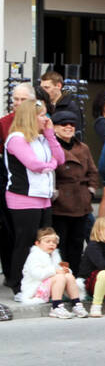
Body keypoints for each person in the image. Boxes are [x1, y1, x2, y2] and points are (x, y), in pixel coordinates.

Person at [5, 99, 65, 294]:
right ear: (30, 117)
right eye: (41, 115)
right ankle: (17, 284)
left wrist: (50, 134)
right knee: (25, 242)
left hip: (44, 198)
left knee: (45, 242)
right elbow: (35, 164)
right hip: (23, 198)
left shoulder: (41, 138)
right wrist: (52, 165)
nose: (45, 118)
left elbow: (61, 158)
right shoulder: (16, 138)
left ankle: (43, 283)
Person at [50, 108, 97, 277]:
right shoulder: (51, 146)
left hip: (81, 201)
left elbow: (93, 171)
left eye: (72, 124)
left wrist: (90, 191)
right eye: (63, 124)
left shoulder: (83, 147)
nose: (68, 127)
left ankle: (75, 278)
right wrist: (55, 193)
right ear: (54, 127)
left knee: (77, 243)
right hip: (60, 203)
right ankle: (62, 279)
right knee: (60, 243)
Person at [0, 82, 37, 291]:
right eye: (15, 99)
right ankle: (11, 275)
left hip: (36, 189)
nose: (18, 103)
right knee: (9, 232)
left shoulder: (40, 122)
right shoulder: (4, 123)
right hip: (11, 183)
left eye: (23, 99)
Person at [20, 226, 87, 318]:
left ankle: (77, 304)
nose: (52, 244)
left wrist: (65, 271)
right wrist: (55, 271)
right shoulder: (34, 256)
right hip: (36, 288)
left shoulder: (55, 255)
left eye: (54, 242)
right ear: (37, 243)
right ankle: (56, 306)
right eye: (48, 242)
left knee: (69, 276)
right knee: (60, 277)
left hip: (51, 286)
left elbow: (59, 269)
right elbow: (36, 274)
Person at [39, 69, 83, 137]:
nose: (43, 91)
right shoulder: (41, 105)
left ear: (59, 86)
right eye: (41, 88)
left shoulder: (71, 107)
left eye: (46, 88)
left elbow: (77, 133)